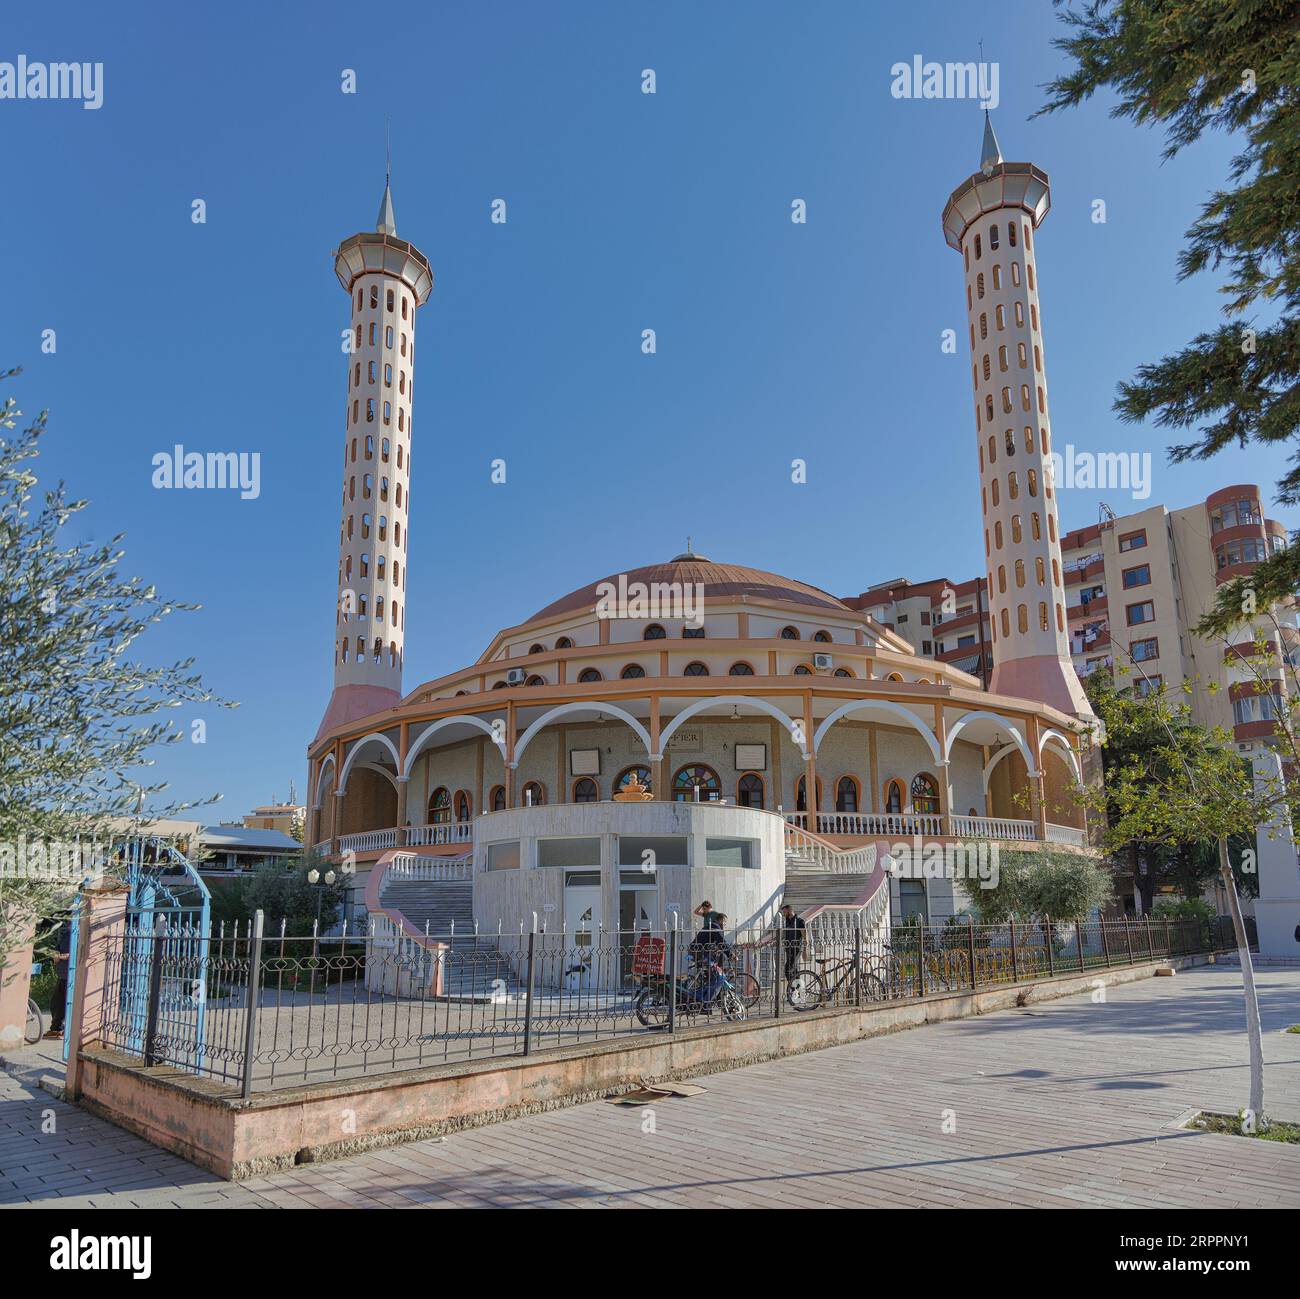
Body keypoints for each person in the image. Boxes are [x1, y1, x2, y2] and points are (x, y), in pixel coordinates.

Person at [46, 920, 72, 1038]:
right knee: (56, 1003)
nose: (68, 921)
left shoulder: (79, 933)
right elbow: (56, 949)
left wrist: (61, 956)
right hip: (62, 975)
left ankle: (66, 1030)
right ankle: (56, 1028)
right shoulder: (66, 933)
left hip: (72, 975)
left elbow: (77, 952)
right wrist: (55, 954)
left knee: (68, 1004)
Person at [778, 903, 806, 982]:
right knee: (794, 969)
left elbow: (805, 937)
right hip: (789, 949)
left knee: (788, 969)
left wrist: (804, 951)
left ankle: (793, 989)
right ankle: (799, 988)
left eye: (784, 912)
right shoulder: (787, 921)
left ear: (790, 910)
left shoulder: (800, 921)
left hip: (796, 949)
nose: (783, 914)